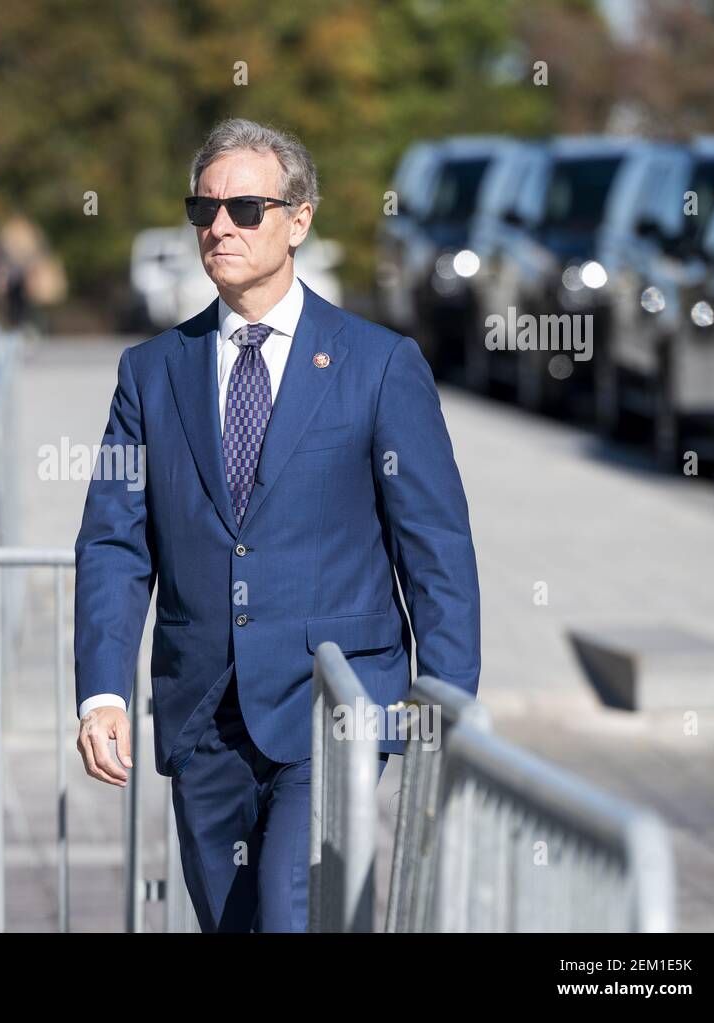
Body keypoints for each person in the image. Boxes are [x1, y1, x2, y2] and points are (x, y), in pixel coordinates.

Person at [72, 118, 480, 932]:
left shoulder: (379, 363)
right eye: (204, 208)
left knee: (294, 917)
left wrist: (446, 706)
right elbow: (114, 541)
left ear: (299, 220)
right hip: (203, 718)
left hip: (334, 709)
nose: (219, 226)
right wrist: (103, 689)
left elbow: (435, 549)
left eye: (245, 208)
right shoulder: (149, 374)